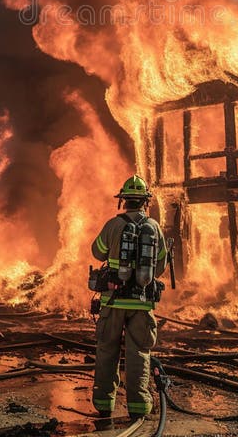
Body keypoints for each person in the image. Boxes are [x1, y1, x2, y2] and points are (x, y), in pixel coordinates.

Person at [91, 175, 167, 420]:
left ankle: (104, 403)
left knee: (107, 350)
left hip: (112, 301)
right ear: (145, 201)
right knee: (139, 353)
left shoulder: (113, 225)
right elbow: (161, 266)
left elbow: (97, 252)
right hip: (142, 304)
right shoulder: (154, 227)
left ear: (123, 201)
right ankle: (139, 406)